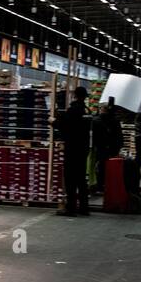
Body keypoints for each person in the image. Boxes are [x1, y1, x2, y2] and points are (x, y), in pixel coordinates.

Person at [54, 87, 91, 216]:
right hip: (83, 149)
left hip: (73, 148)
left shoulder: (73, 110)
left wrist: (54, 122)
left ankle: (71, 208)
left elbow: (65, 126)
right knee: (81, 179)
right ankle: (84, 208)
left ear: (75, 95)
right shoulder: (87, 110)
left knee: (70, 179)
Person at [93, 104, 123, 193]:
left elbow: (94, 136)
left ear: (102, 110)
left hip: (101, 147)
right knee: (112, 167)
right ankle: (110, 185)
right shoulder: (115, 120)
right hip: (113, 148)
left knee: (100, 167)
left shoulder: (96, 120)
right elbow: (119, 135)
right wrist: (119, 146)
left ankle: (100, 186)